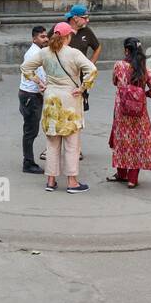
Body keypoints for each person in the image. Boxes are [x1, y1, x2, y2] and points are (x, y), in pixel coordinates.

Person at [20, 22, 97, 194]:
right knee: (72, 144)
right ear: (68, 36)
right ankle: (72, 182)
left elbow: (25, 68)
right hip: (70, 99)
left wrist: (39, 82)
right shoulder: (74, 53)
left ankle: (51, 180)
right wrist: (83, 88)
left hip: (51, 98)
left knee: (52, 143)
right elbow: (92, 70)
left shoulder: (44, 52)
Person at [107, 38, 151, 189]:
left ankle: (121, 173)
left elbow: (114, 82)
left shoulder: (119, 65)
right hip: (139, 112)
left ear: (126, 50)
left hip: (122, 110)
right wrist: (142, 94)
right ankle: (132, 179)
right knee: (137, 143)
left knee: (122, 141)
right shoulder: (145, 68)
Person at [18, 26, 48, 174]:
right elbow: (34, 73)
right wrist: (43, 86)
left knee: (31, 129)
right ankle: (28, 163)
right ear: (34, 38)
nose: (46, 39)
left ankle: (28, 160)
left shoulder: (39, 52)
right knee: (30, 130)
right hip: (30, 95)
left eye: (46, 36)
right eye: (42, 37)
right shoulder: (34, 53)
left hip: (31, 94)